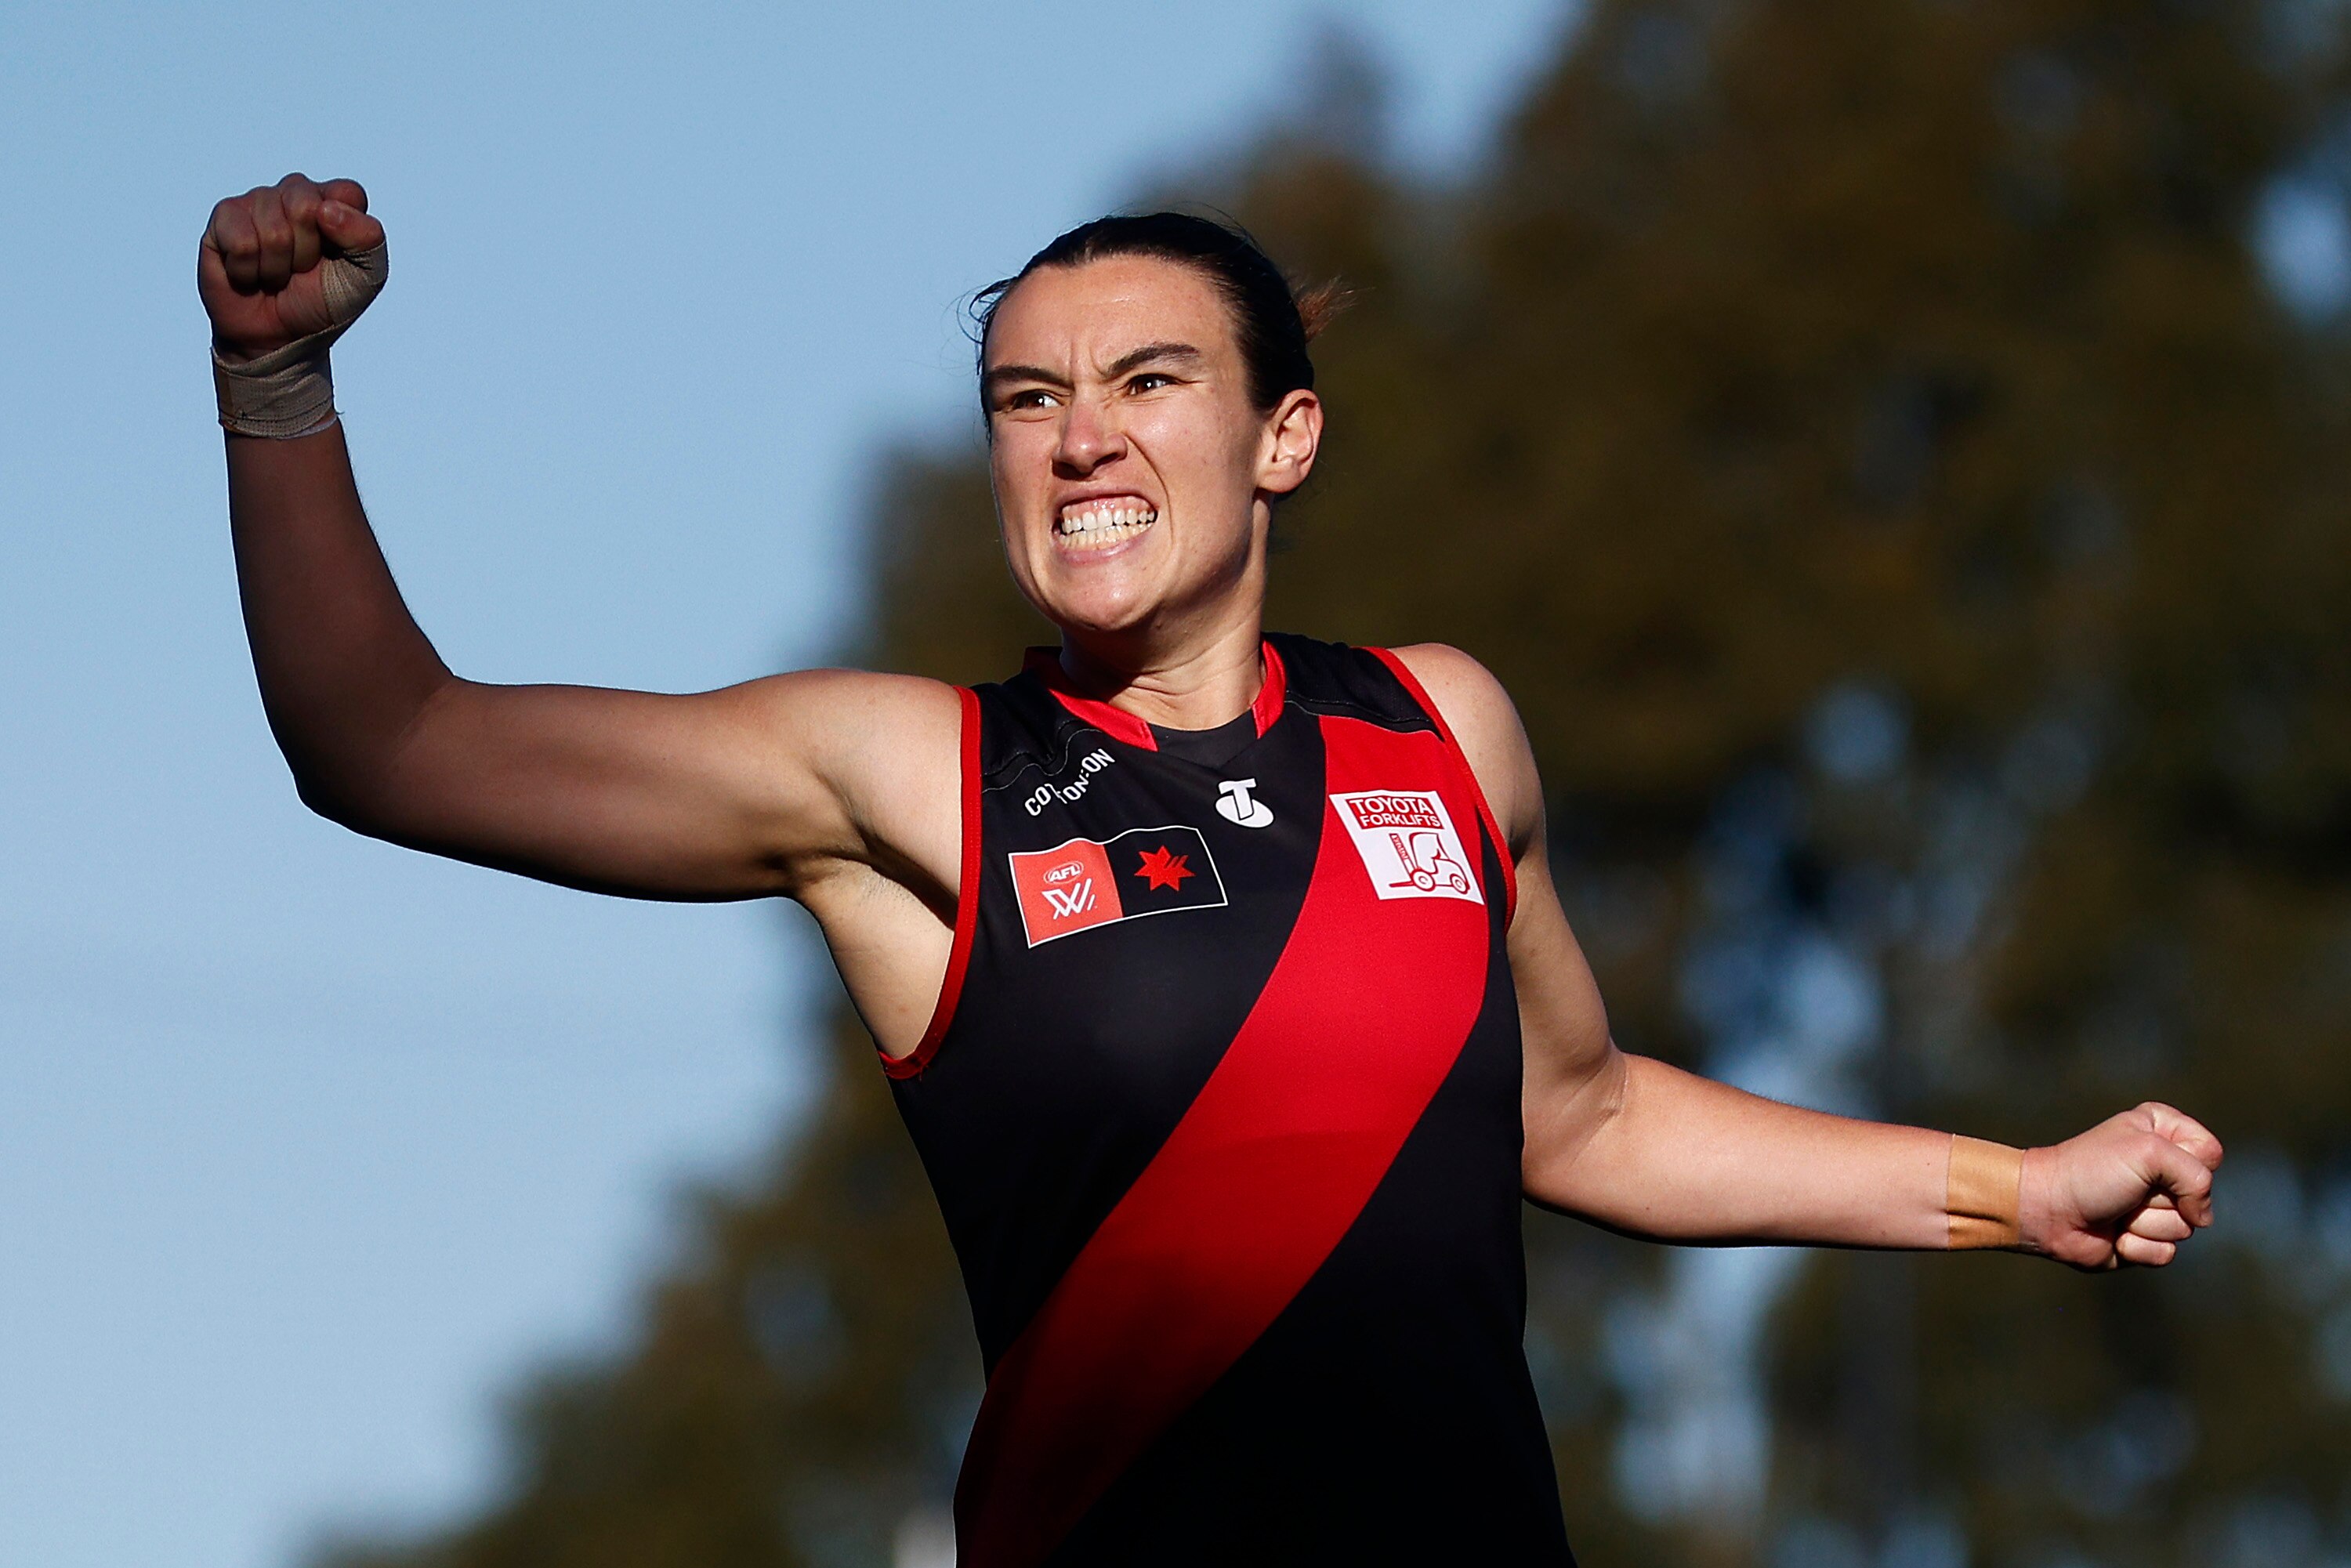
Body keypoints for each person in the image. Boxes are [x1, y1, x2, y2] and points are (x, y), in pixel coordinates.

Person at [201, 172, 2224, 1567]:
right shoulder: (916, 776)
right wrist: (277, 387)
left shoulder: (1445, 727)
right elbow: (390, 744)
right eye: (1026, 397)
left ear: (1286, 438)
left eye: (1146, 380)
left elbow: (1585, 1111)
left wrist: (2009, 1187)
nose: (1077, 437)